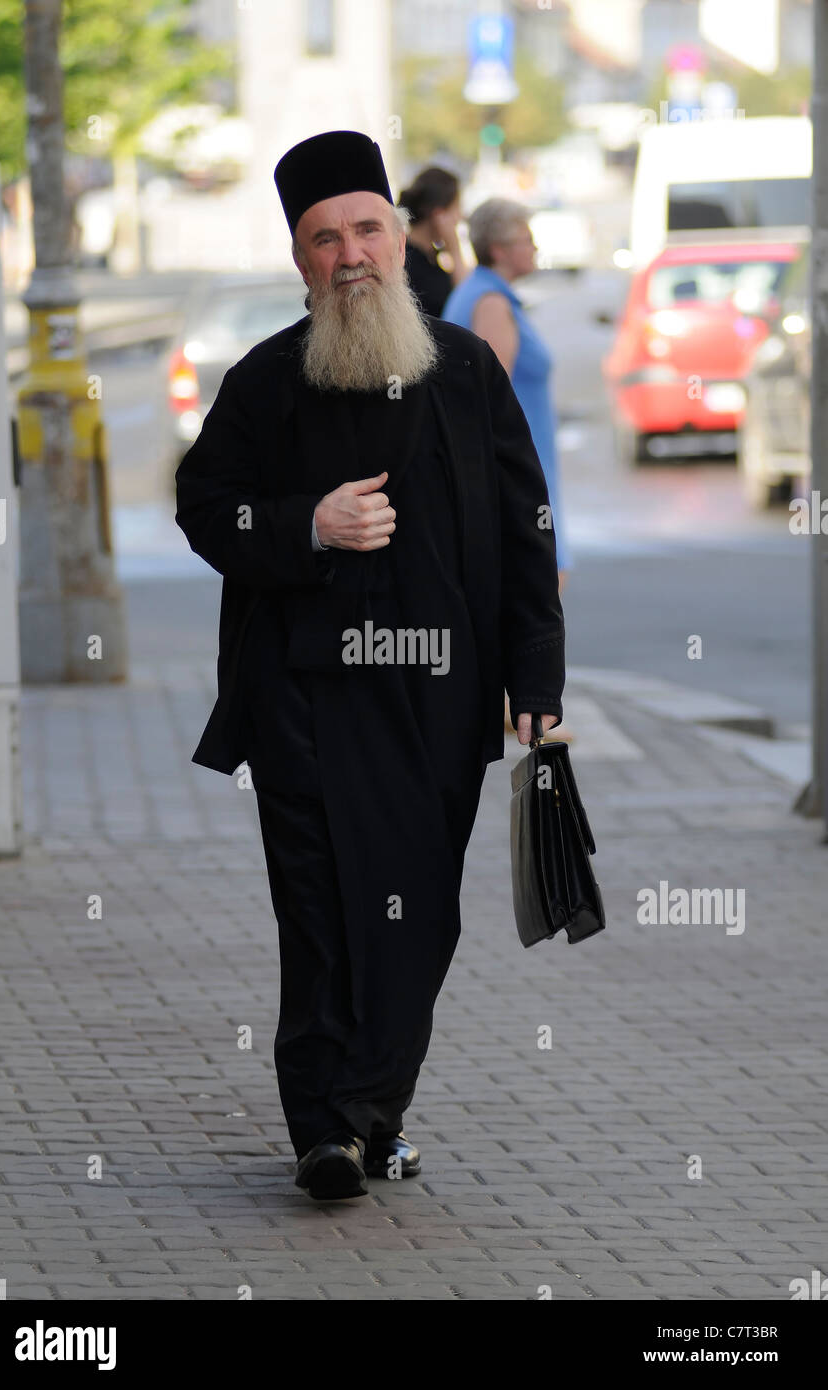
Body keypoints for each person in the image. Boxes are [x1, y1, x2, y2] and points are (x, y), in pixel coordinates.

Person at [175, 131, 565, 1203]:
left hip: (435, 701)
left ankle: (371, 1113)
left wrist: (536, 688)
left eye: (364, 229)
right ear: (298, 258)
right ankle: (329, 1129)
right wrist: (308, 523)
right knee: (319, 913)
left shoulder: (467, 374)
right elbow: (206, 509)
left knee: (415, 917)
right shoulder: (262, 382)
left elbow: (527, 536)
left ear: (397, 239)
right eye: (322, 237)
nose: (348, 253)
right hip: (300, 697)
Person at [442, 198, 573, 584]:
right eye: (525, 238)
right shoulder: (491, 301)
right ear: (499, 249)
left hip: (521, 470)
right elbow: (491, 403)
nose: (533, 247)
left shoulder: (480, 291)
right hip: (517, 475)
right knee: (541, 593)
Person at [399, 166, 469, 316]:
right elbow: (467, 303)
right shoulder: (412, 263)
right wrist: (455, 251)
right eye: (456, 208)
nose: (460, 217)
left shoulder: (424, 256)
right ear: (438, 215)